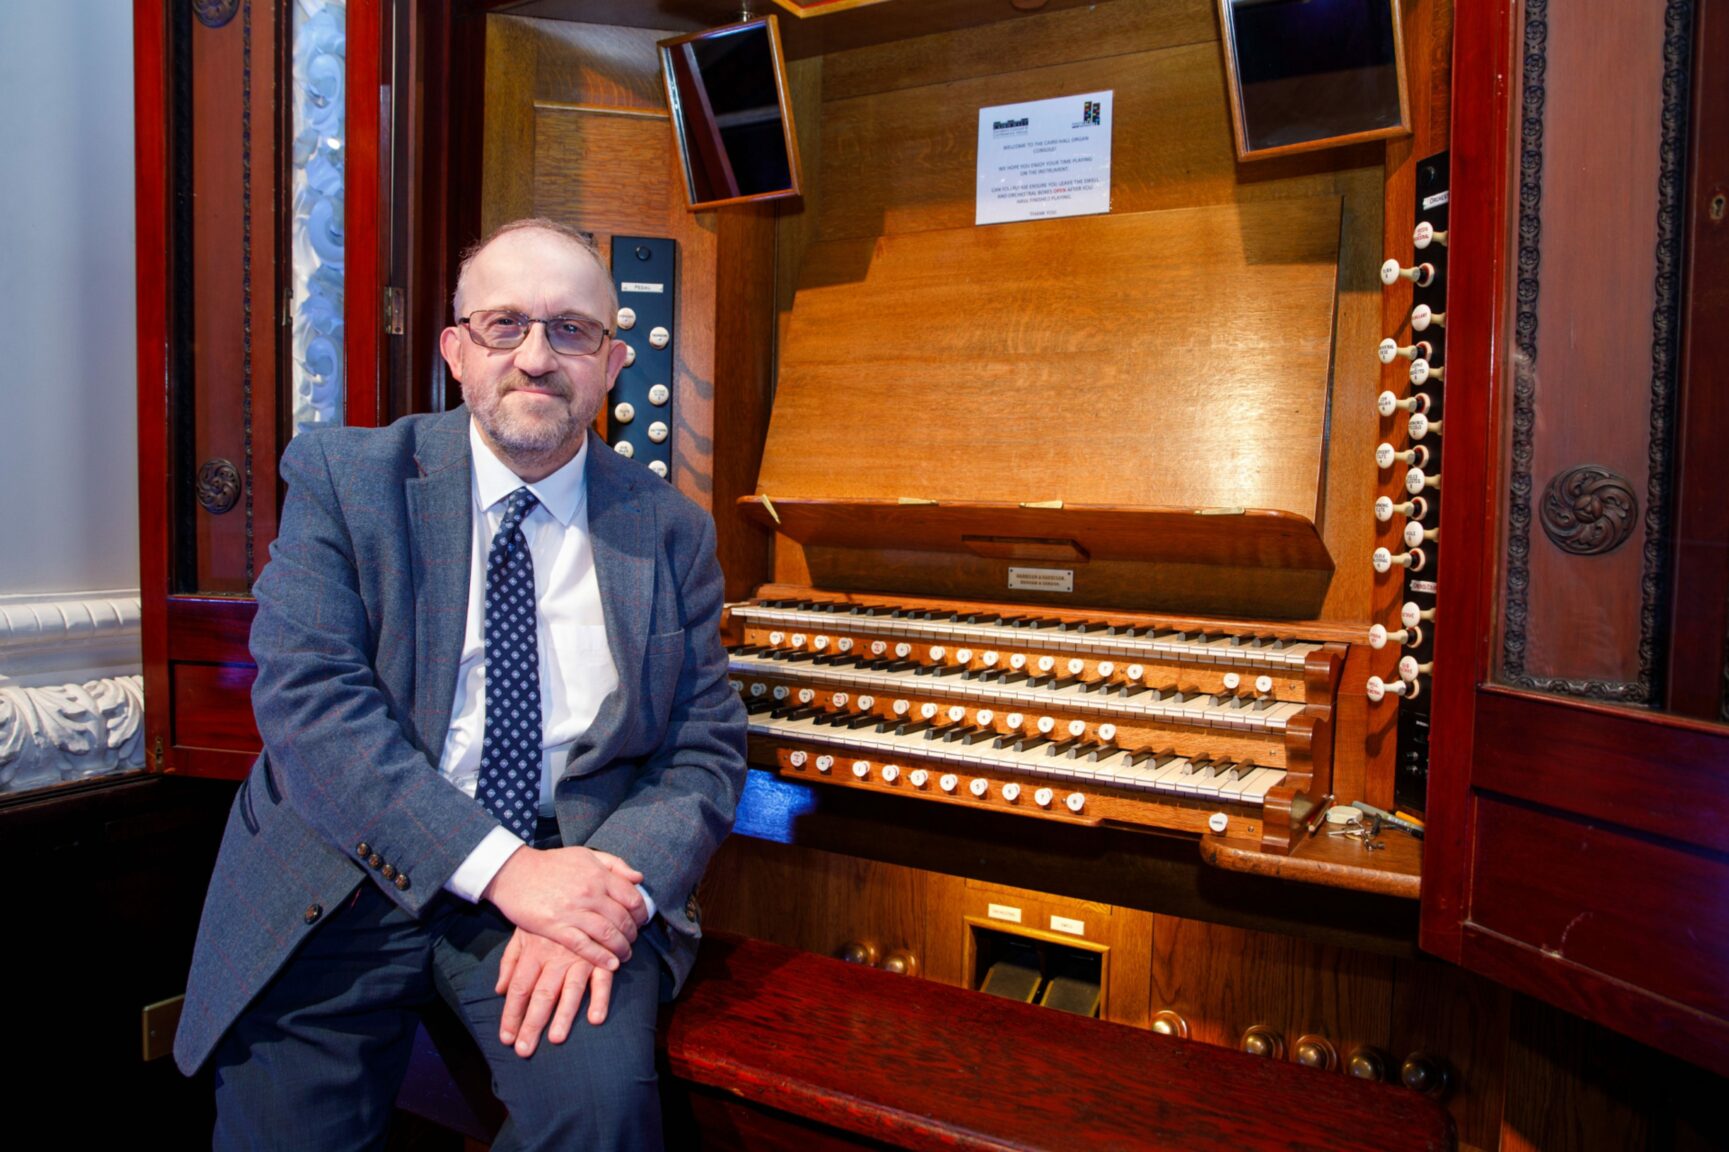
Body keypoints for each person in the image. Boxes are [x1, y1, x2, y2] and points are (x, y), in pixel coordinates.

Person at [173, 218, 748, 1151]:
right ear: (455, 351)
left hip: (567, 867)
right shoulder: (346, 475)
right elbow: (312, 712)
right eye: (504, 325)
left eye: (570, 330)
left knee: (601, 1123)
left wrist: (601, 899)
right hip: (347, 861)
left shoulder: (667, 527)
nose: (535, 357)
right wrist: (507, 871)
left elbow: (703, 745)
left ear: (610, 364)